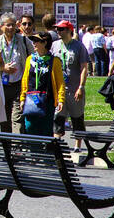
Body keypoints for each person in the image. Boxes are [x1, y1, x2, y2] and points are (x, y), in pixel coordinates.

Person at [17, 31, 64, 136]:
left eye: (37, 41)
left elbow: (60, 82)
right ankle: (34, 151)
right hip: (31, 99)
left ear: (45, 43)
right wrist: (22, 98)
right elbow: (25, 80)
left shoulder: (54, 61)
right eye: (33, 41)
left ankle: (45, 151)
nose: (34, 43)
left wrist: (61, 99)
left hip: (48, 100)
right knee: (30, 127)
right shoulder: (30, 59)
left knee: (46, 129)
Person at [51, 20, 88, 149]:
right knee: (58, 117)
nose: (58, 32)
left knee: (77, 118)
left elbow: (84, 68)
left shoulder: (79, 46)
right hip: (60, 90)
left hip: (74, 90)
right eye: (57, 29)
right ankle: (57, 144)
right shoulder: (55, 45)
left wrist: (81, 87)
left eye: (61, 29)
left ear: (68, 30)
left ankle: (77, 146)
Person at [0, 12, 29, 132]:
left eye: (13, 25)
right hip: (1, 86)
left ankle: (17, 145)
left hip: (18, 84)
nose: (10, 28)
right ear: (1, 26)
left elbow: (31, 58)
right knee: (4, 118)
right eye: (8, 25)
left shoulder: (23, 41)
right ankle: (7, 146)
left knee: (17, 117)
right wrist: (3, 68)